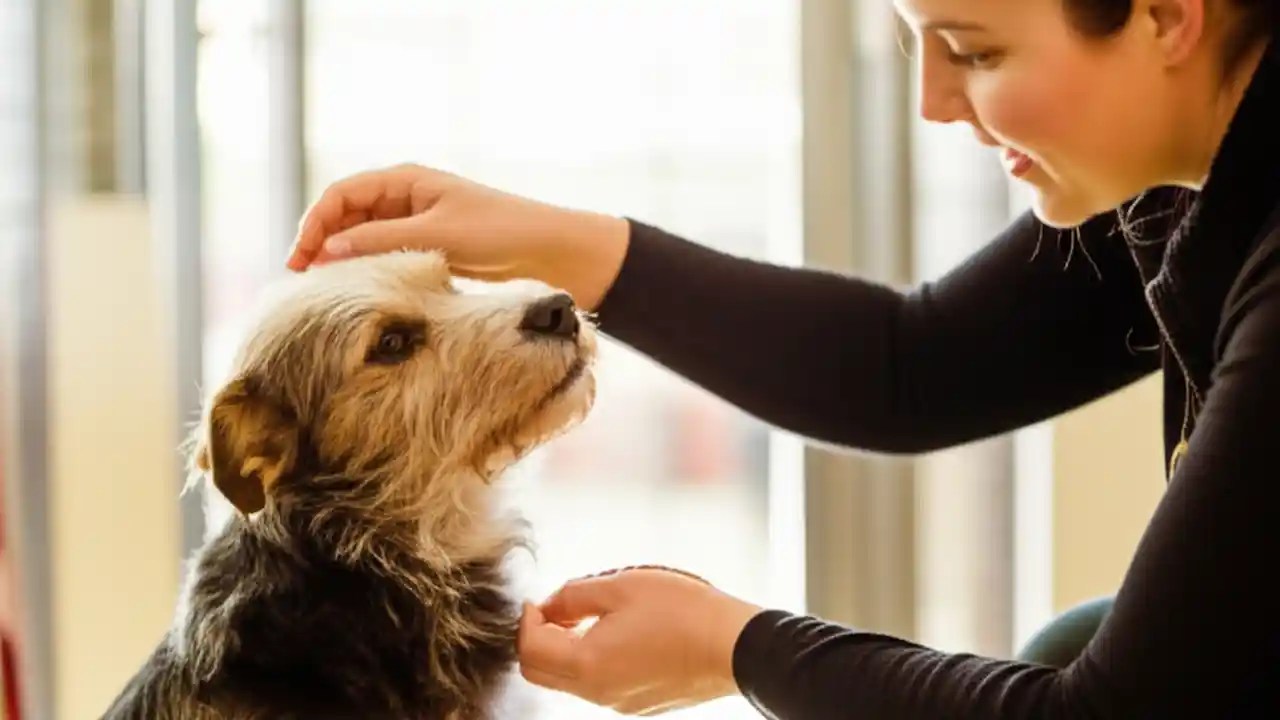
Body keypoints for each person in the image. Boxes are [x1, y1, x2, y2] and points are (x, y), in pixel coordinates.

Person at [287, 0, 1280, 716]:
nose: (932, 102)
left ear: (1164, 16)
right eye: (911, 43)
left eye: (972, 52)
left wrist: (735, 648)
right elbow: (911, 368)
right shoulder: (1173, 165)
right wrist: (563, 245)